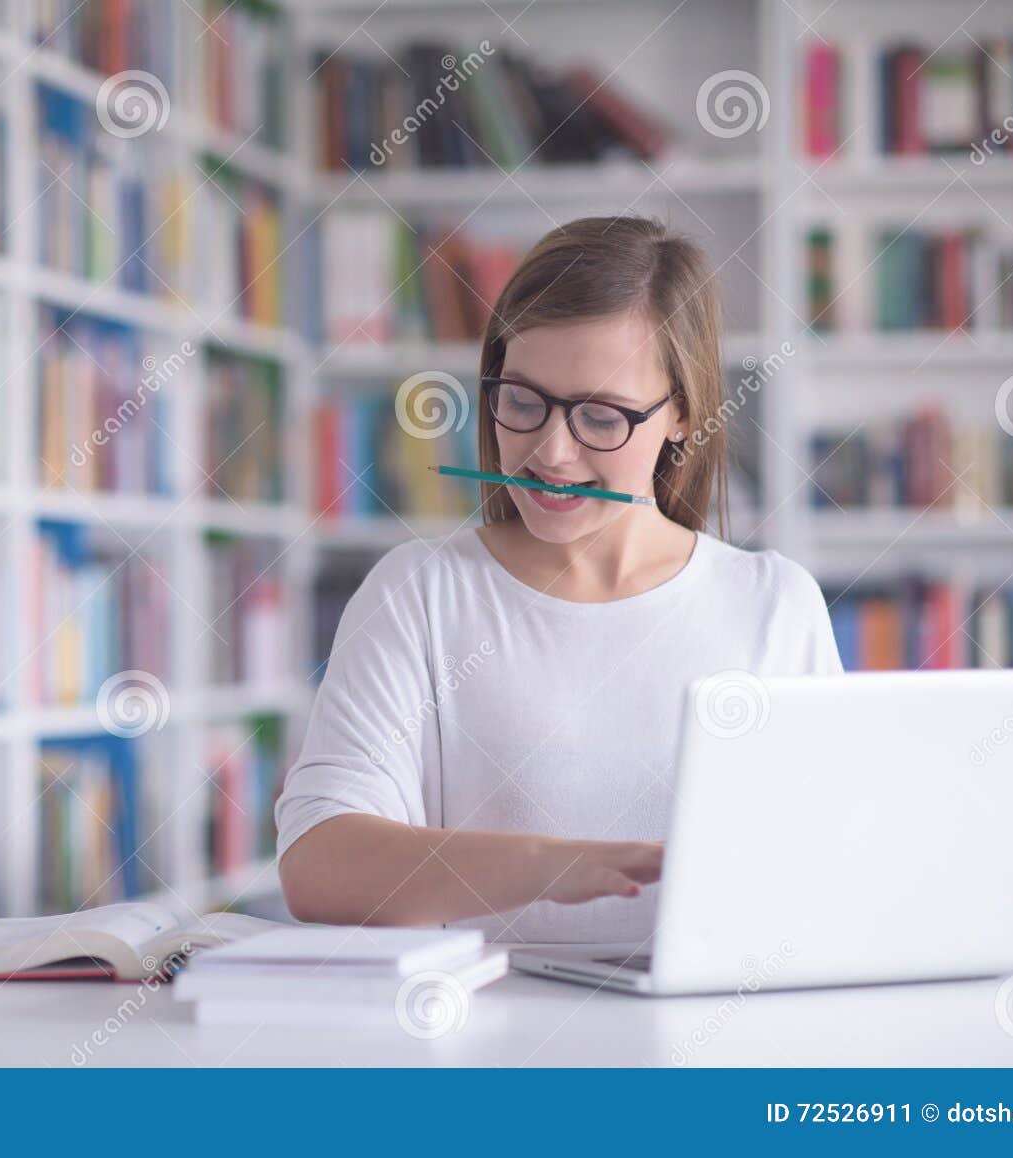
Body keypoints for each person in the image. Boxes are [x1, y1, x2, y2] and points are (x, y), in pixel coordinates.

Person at [276, 215, 842, 942]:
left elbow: (826, 869)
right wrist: (551, 865)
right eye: (522, 400)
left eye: (600, 416)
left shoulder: (773, 605)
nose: (550, 451)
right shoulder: (420, 593)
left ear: (682, 416)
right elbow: (318, 866)